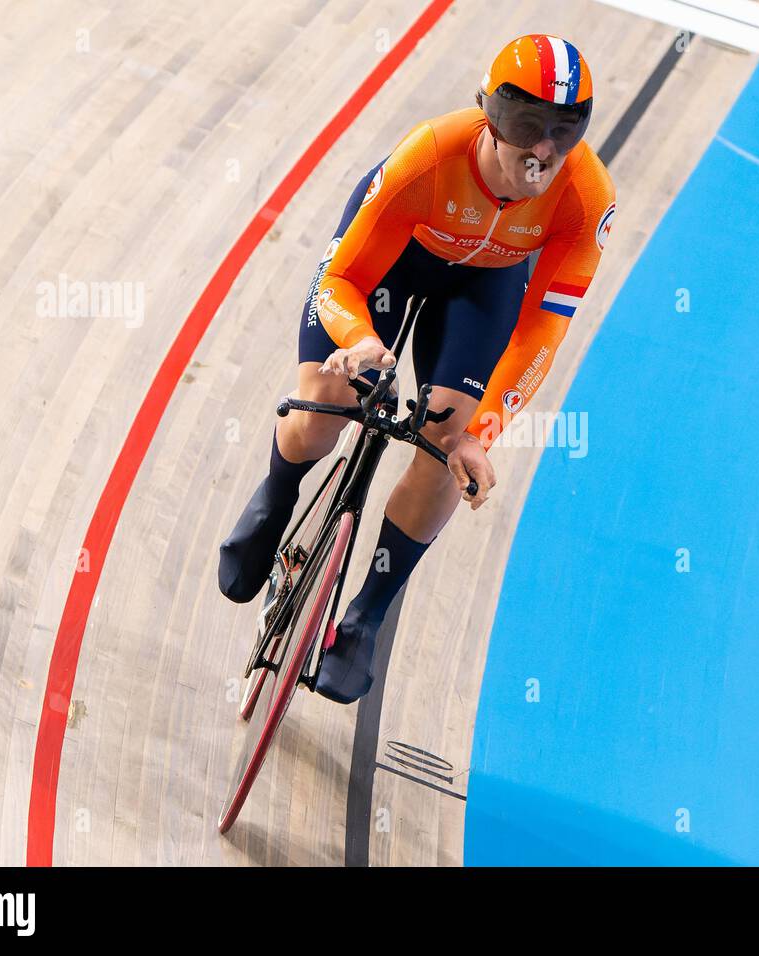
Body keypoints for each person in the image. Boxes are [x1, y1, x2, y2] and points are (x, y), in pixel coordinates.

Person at [218, 34, 617, 703]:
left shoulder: (586, 195)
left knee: (445, 449)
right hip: (392, 261)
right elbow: (340, 279)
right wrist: (359, 341)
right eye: (527, 126)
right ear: (489, 113)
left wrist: (481, 431)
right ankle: (278, 494)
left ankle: (366, 614)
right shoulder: (429, 154)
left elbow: (543, 328)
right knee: (325, 404)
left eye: (564, 130)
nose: (544, 149)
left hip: (482, 291)